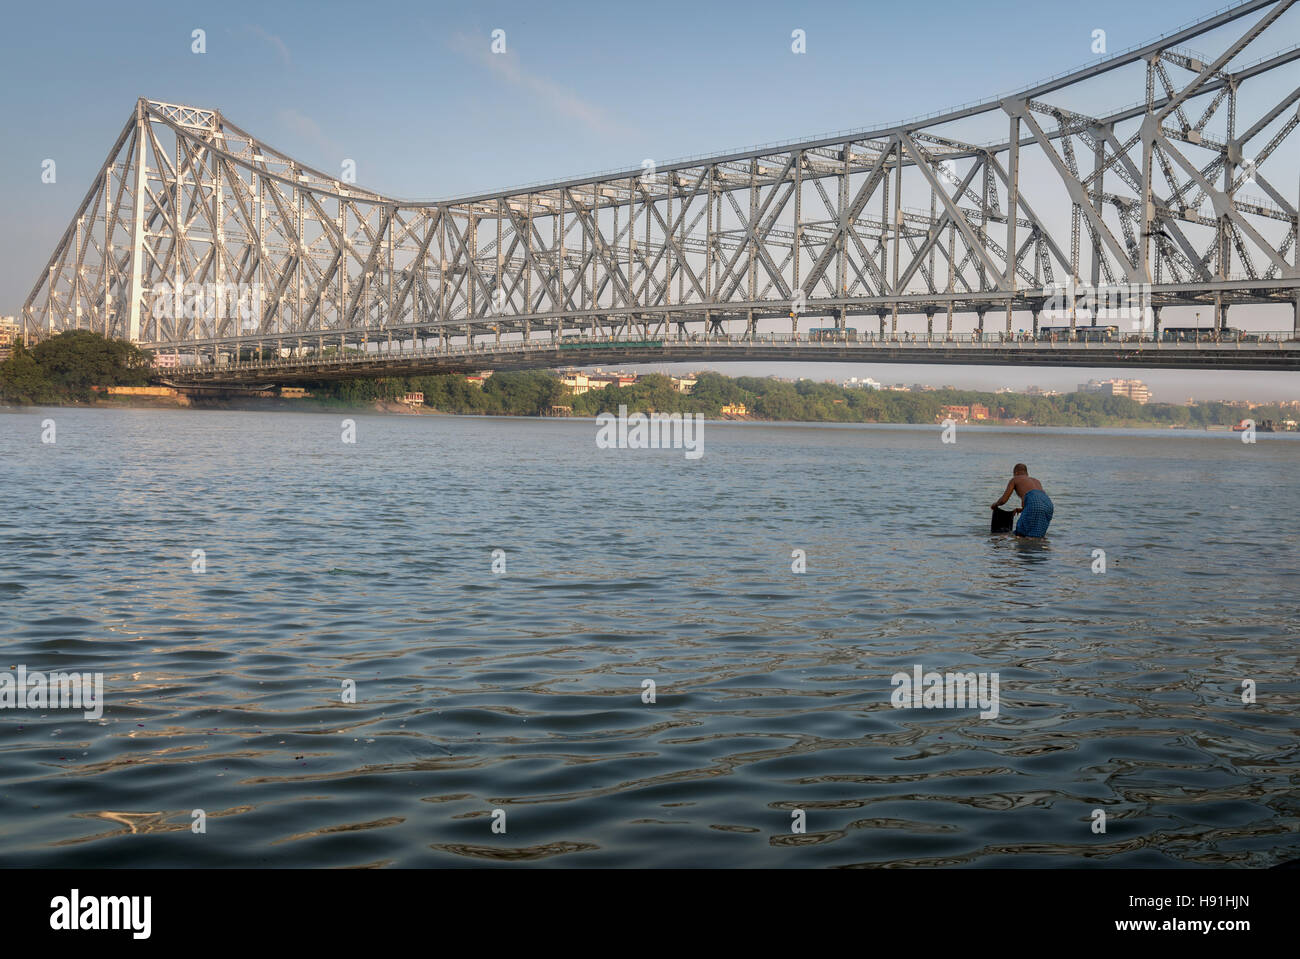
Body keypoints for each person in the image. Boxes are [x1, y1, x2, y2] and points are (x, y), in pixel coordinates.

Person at [991, 463, 1054, 538]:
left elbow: (1003, 500)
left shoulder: (1015, 479)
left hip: (1033, 503)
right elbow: (1036, 499)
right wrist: (1023, 509)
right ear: (1027, 473)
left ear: (1016, 473)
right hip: (1048, 504)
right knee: (1037, 536)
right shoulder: (1036, 481)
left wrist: (995, 504)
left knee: (1020, 534)